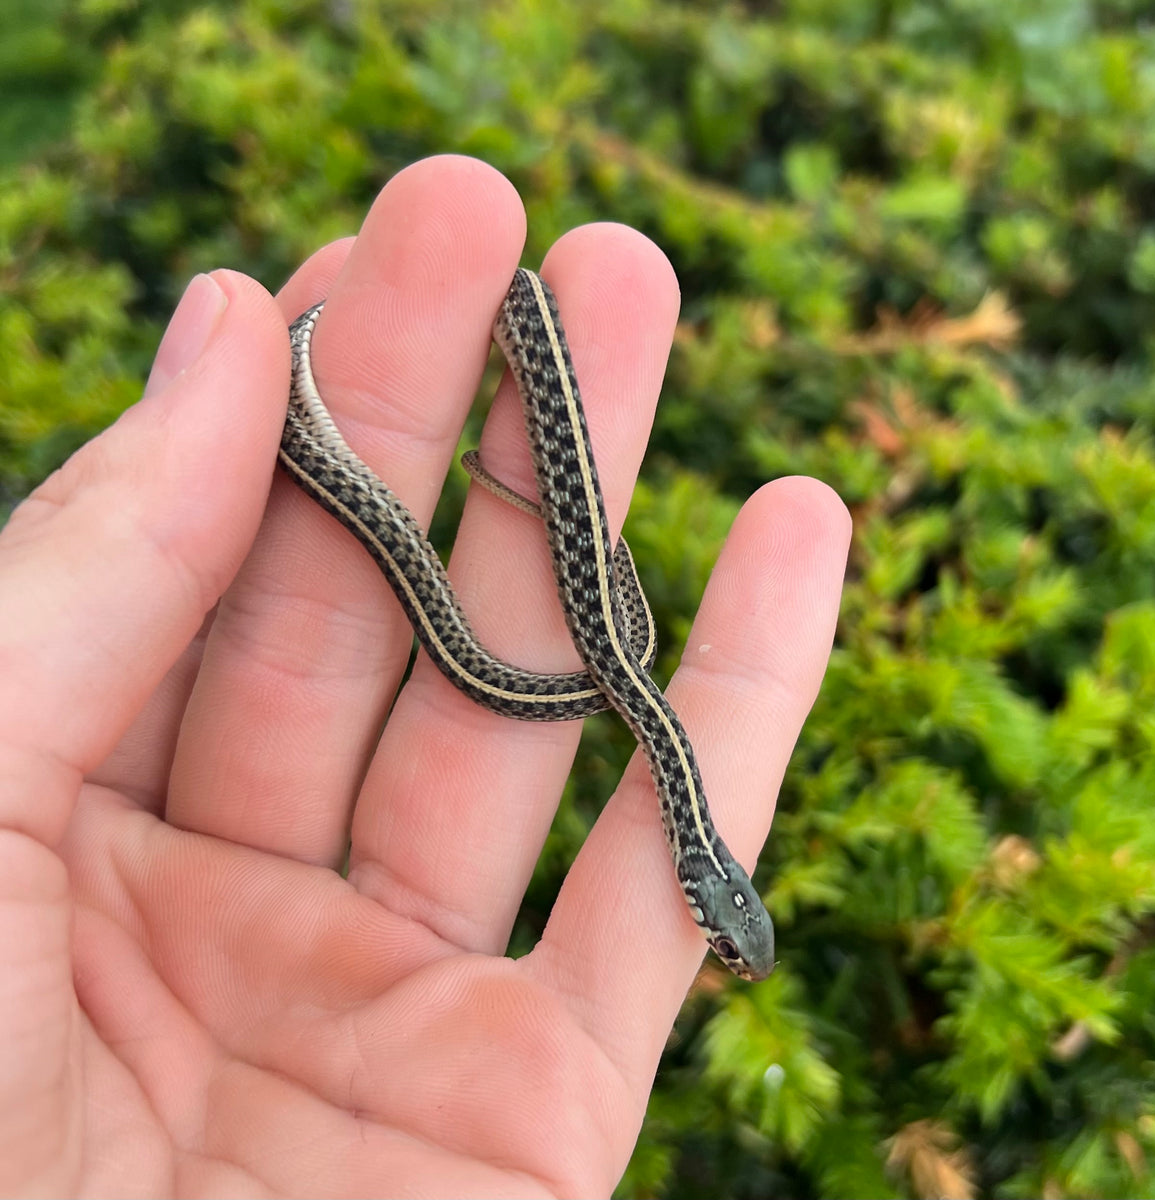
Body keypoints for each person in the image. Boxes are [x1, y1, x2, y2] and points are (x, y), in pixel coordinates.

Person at [0, 155, 850, 1197]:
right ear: (708, 888)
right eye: (722, 941)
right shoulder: (655, 738)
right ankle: (346, 348)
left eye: (719, 944)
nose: (714, 948)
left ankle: (321, 369)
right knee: (482, 320)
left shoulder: (652, 738)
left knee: (578, 650)